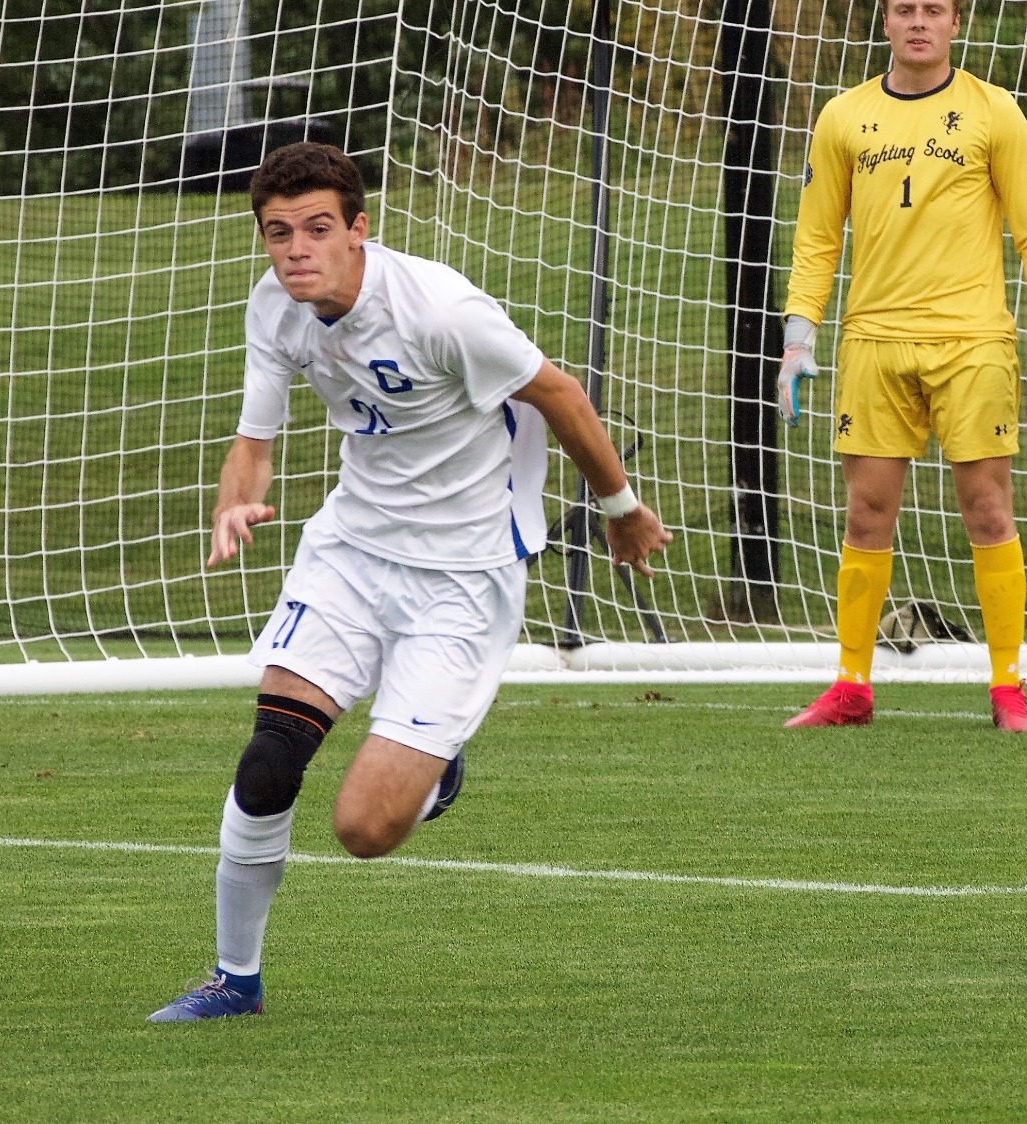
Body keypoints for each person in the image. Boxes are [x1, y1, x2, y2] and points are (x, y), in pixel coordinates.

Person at [149, 143, 670, 1021]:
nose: (295, 250)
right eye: (278, 234)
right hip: (352, 552)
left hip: (464, 576)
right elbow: (254, 437)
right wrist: (235, 507)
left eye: (317, 229)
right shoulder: (275, 306)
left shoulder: (441, 311)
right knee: (269, 760)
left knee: (363, 831)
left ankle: (435, 768)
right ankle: (233, 980)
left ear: (360, 229)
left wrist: (620, 506)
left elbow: (563, 395)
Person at [778, 0, 1027, 732]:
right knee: (865, 512)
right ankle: (851, 686)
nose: (919, 21)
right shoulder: (842, 117)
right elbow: (817, 242)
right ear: (884, 20)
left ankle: (1009, 689)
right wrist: (797, 338)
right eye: (905, 8)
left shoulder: (994, 111)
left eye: (932, 9)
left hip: (972, 342)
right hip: (874, 340)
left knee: (988, 508)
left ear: (955, 22)